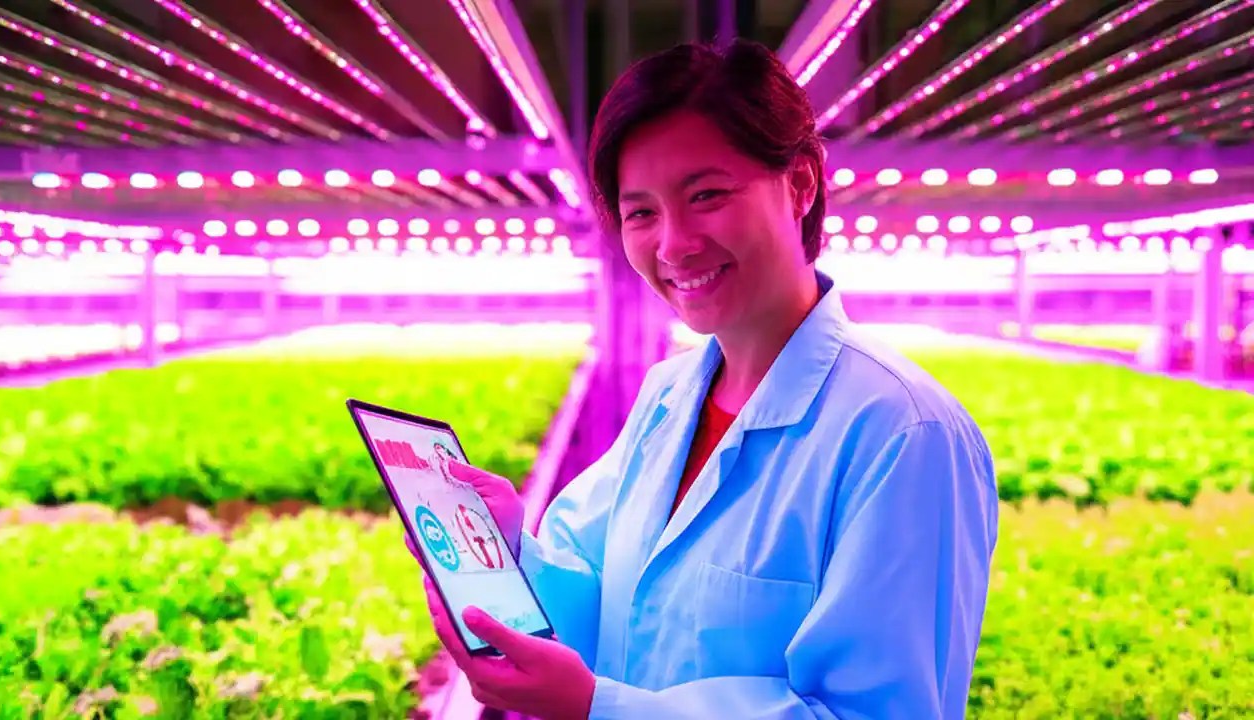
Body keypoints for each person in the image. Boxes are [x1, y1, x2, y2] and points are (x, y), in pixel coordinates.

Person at [409, 39, 999, 720]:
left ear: (801, 183)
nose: (674, 243)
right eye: (641, 213)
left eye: (707, 195)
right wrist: (508, 549)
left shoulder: (903, 434)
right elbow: (607, 601)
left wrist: (597, 708)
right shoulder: (670, 394)